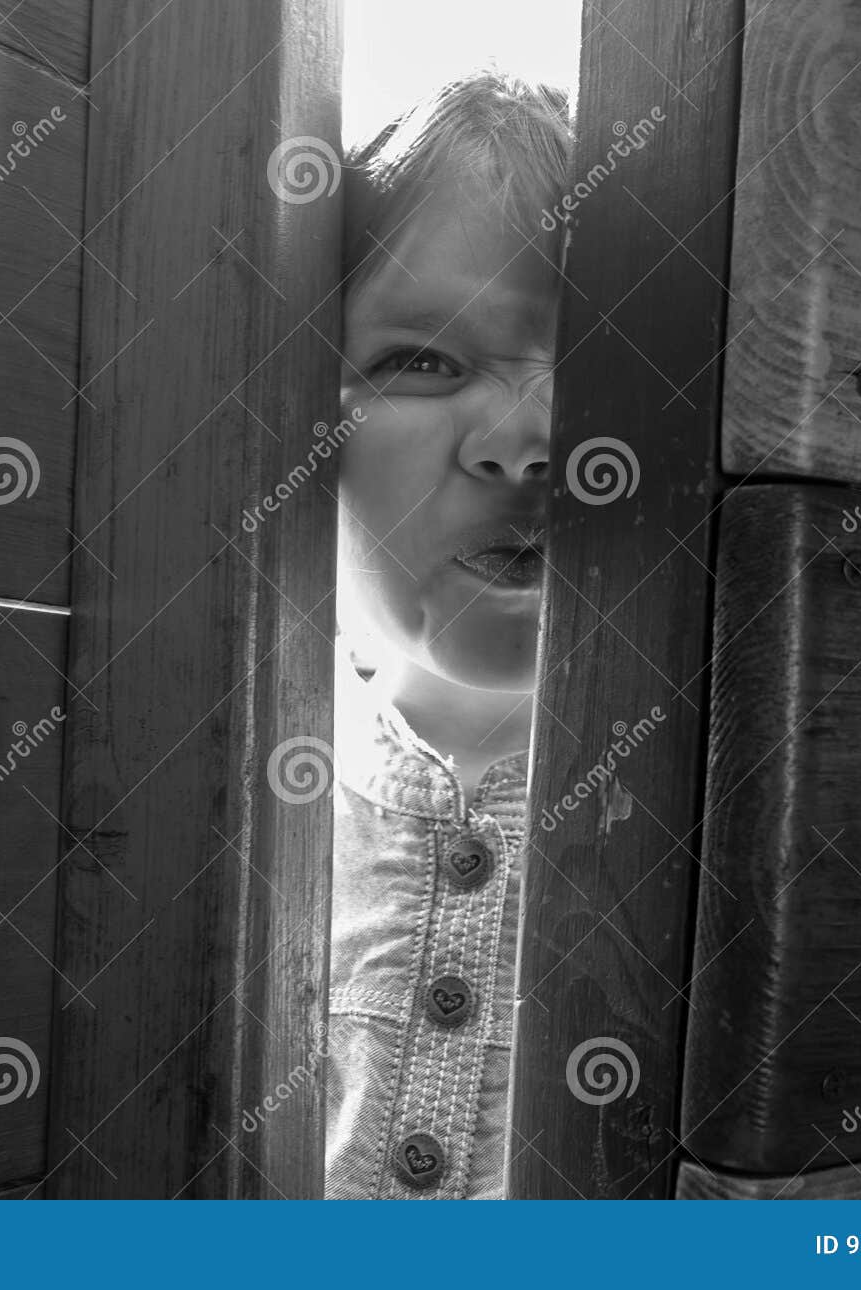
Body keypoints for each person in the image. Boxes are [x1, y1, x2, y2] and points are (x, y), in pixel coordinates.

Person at [325, 68, 573, 1199]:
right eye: (420, 360)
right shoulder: (208, 819)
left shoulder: (749, 839)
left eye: (597, 360)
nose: (522, 439)